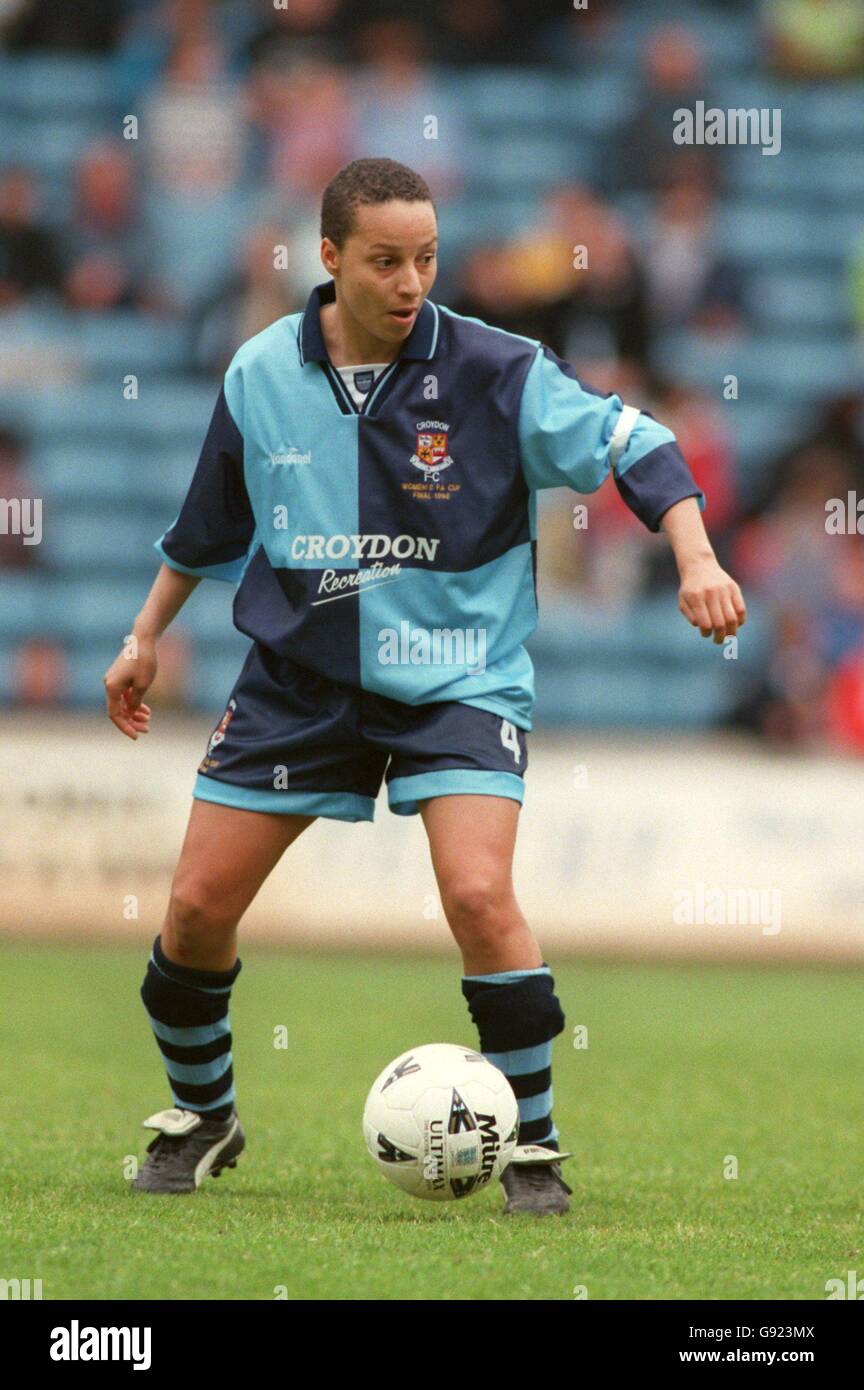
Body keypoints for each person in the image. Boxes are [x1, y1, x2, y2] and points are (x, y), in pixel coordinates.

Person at [103, 157, 746, 1215]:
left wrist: (697, 558)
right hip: (299, 681)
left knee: (481, 895)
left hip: (460, 677)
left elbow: (645, 445)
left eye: (427, 258)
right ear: (330, 259)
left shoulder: (497, 369)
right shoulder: (261, 373)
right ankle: (205, 1114)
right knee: (193, 908)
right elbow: (206, 531)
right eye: (386, 261)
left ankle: (533, 1146)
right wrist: (140, 635)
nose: (411, 282)